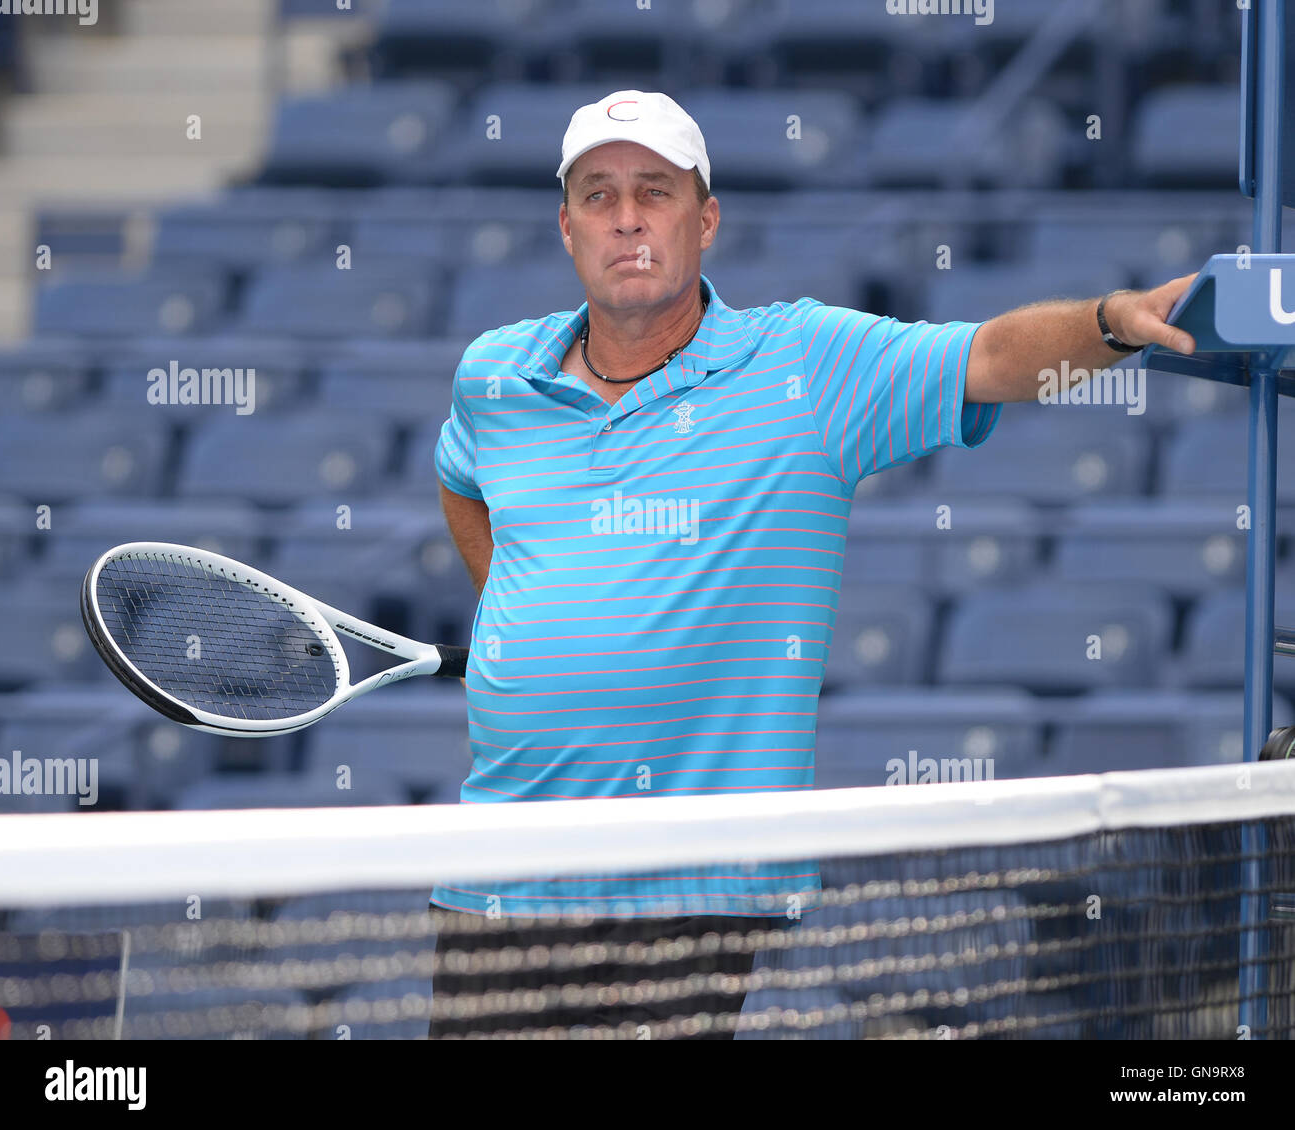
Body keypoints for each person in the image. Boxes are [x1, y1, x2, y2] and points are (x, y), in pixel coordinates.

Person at [428, 89, 1198, 1039]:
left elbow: (991, 358)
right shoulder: (495, 377)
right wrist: (510, 614)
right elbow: (460, 473)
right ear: (567, 226)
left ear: (704, 220)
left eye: (655, 192)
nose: (626, 216)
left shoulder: (807, 365)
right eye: (598, 194)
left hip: (688, 892)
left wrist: (1109, 322)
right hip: (496, 876)